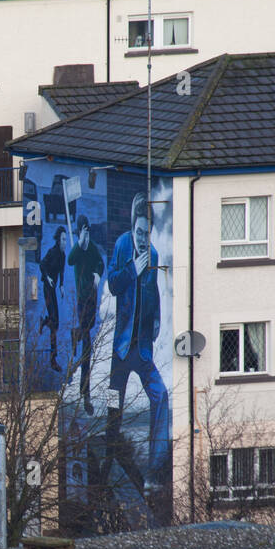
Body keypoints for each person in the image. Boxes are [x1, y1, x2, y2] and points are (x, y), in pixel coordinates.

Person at [103, 192, 169, 485]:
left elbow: (152, 291)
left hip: (142, 348)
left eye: (148, 233)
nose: (144, 239)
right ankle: (109, 452)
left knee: (161, 395)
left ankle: (156, 467)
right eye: (140, 232)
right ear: (133, 227)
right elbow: (113, 284)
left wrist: (155, 322)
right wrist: (133, 269)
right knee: (112, 400)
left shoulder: (153, 254)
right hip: (121, 346)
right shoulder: (121, 245)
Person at [67, 216, 105, 413]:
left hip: (92, 300)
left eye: (88, 230)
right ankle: (86, 393)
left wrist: (98, 273)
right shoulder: (79, 250)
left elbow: (100, 262)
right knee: (87, 350)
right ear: (79, 232)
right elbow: (70, 259)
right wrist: (80, 242)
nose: (87, 234)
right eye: (84, 231)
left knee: (86, 338)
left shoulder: (92, 249)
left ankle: (77, 333)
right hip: (82, 302)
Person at [39, 226, 65, 371]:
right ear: (58, 240)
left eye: (66, 239)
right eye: (63, 239)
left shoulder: (63, 255)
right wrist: (48, 277)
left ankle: (44, 321)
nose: (65, 242)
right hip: (47, 288)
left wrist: (61, 285)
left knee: (57, 322)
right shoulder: (52, 252)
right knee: (55, 323)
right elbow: (42, 264)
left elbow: (62, 270)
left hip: (54, 289)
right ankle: (53, 359)